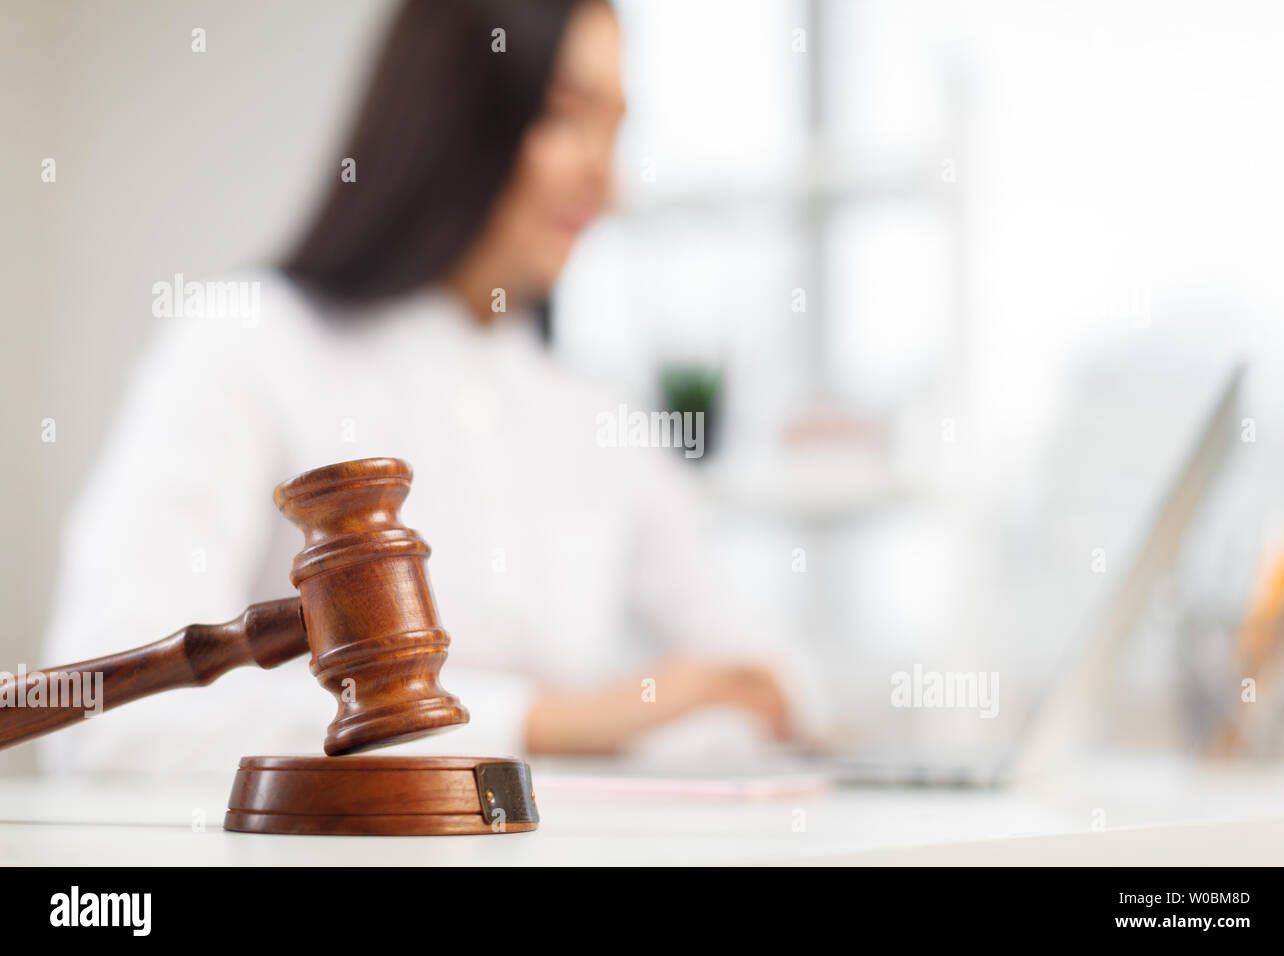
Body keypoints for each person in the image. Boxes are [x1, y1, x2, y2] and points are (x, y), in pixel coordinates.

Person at [39, 0, 823, 775]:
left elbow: (756, 678)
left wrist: (702, 705)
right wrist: (550, 723)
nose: (604, 179)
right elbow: (103, 714)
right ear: (454, 116)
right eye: (564, 116)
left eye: (616, 130)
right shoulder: (250, 344)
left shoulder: (590, 414)